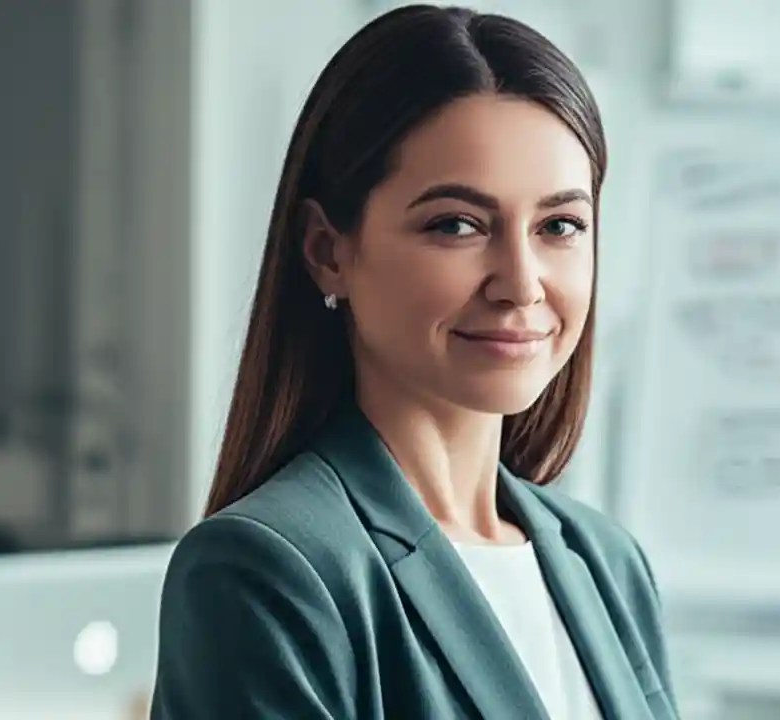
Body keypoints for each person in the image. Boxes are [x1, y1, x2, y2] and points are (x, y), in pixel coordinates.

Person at [149, 5, 676, 719]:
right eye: (456, 225)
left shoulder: (608, 564)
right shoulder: (267, 572)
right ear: (328, 250)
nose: (521, 283)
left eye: (560, 226)